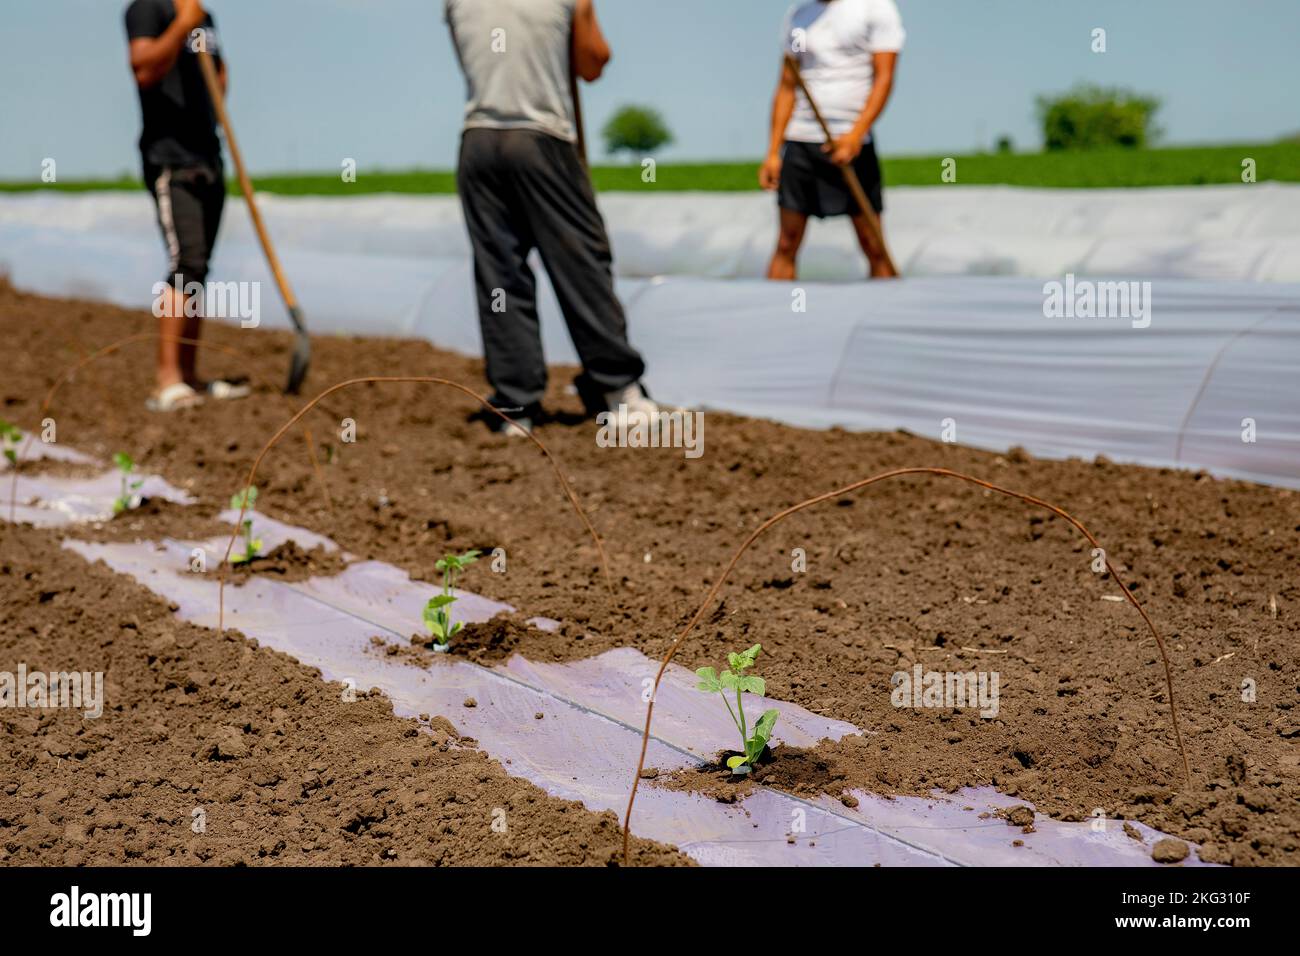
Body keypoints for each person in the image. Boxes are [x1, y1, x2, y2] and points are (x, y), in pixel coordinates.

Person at [445, 0, 656, 435]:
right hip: (541, 139)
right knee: (581, 261)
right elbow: (593, 63)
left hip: (479, 143)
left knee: (500, 275)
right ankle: (619, 390)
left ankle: (515, 406)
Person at [125, 0, 247, 411]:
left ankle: (190, 378)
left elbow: (218, 74)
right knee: (185, 263)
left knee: (199, 269)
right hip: (170, 160)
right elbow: (143, 68)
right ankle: (167, 381)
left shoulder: (205, 16)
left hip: (206, 155)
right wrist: (182, 26)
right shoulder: (147, 10)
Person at [760, 0, 904, 281]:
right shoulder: (799, 16)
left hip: (852, 144)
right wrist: (773, 152)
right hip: (801, 139)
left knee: (873, 245)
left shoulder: (874, 8)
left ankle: (887, 312)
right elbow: (787, 85)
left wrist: (854, 135)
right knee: (786, 243)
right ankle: (774, 315)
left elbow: (884, 78)